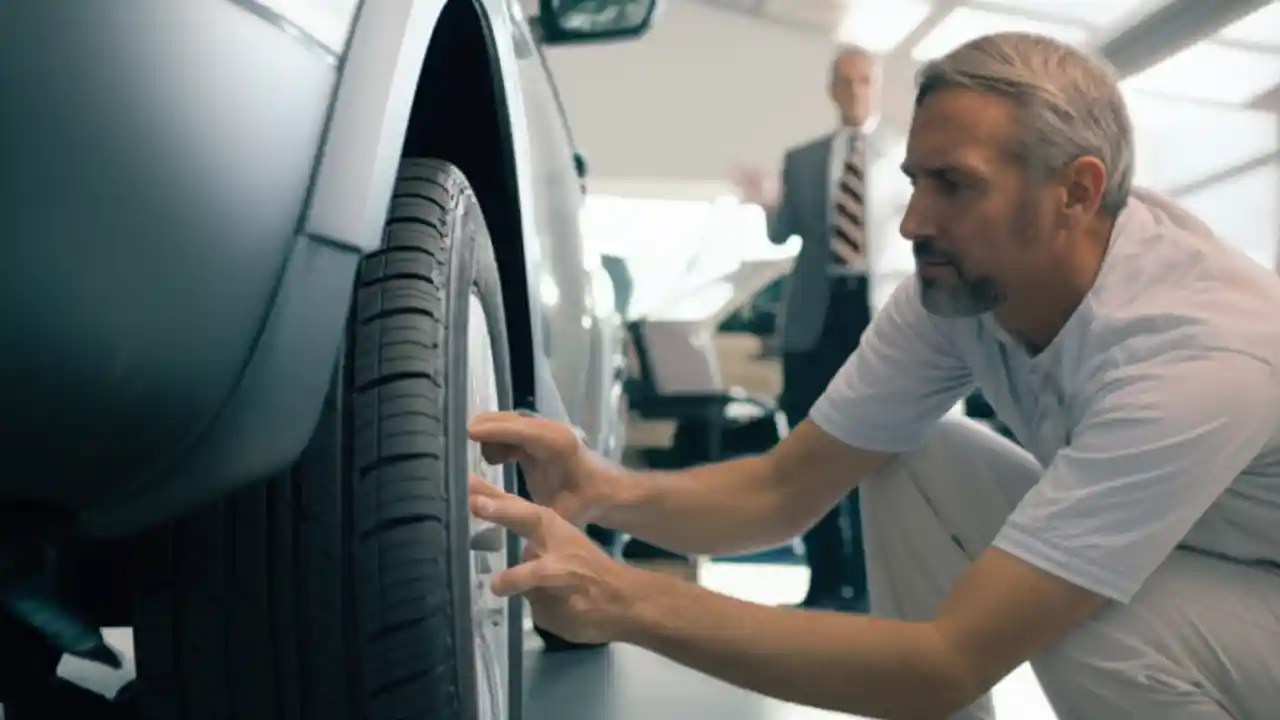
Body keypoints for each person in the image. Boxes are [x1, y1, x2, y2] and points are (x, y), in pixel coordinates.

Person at [469, 32, 1280, 720]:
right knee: (914, 455)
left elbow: (946, 661)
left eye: (955, 185)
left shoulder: (1195, 358)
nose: (913, 222)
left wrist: (625, 601)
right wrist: (603, 488)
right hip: (1200, 551)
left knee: (1089, 626)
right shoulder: (957, 292)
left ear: (1077, 191)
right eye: (917, 181)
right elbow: (781, 490)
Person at [734, 44, 900, 611]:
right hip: (815, 317)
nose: (856, 91)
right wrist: (766, 204)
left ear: (878, 86)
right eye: (846, 82)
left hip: (881, 315)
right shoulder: (803, 159)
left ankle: (877, 584)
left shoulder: (909, 155)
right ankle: (827, 582)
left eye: (865, 81)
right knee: (811, 449)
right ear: (831, 88)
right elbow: (785, 236)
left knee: (882, 453)